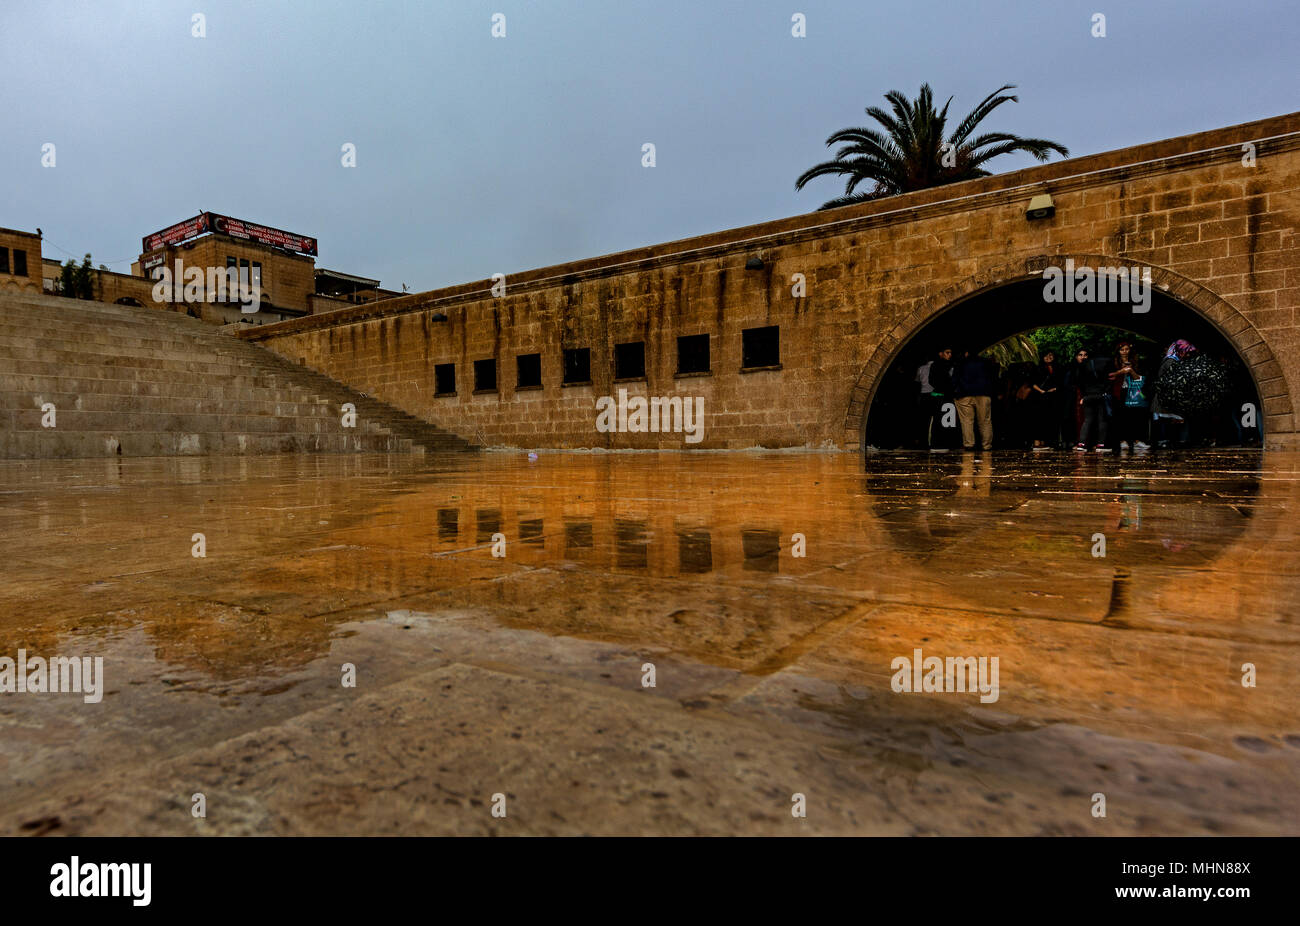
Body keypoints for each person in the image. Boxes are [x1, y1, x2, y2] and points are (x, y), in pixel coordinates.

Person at [1152, 339, 1194, 448]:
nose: (1188, 354)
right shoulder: (1171, 361)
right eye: (1186, 351)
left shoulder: (1173, 360)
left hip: (1169, 397)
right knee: (1168, 421)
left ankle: (1170, 442)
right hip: (1167, 398)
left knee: (1170, 421)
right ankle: (1166, 443)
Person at [1107, 341, 1149, 451]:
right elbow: (1110, 376)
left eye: (1126, 349)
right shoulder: (1114, 362)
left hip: (1133, 392)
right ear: (1118, 351)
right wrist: (1121, 371)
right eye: (1122, 349)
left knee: (1135, 416)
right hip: (1119, 392)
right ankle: (1122, 441)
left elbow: (1139, 379)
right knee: (1121, 416)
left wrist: (1131, 370)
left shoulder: (1135, 361)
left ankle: (1137, 441)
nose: (1124, 352)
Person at [952, 348, 997, 452]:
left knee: (966, 421)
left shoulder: (960, 363)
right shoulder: (985, 363)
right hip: (983, 393)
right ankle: (986, 445)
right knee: (985, 421)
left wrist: (956, 391)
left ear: (966, 353)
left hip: (964, 395)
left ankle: (969, 444)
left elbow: (955, 378)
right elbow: (993, 378)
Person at [1072, 346, 1111, 452]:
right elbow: (1109, 379)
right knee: (1102, 420)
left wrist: (1084, 395)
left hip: (1088, 395)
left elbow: (1079, 381)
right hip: (1101, 394)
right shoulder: (1106, 363)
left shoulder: (1084, 365)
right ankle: (1100, 445)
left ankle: (1081, 443)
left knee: (1087, 420)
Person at [915, 347, 955, 450]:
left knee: (929, 420)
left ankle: (928, 442)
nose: (950, 355)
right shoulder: (947, 367)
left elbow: (920, 381)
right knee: (942, 419)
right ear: (940, 354)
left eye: (950, 353)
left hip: (931, 394)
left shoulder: (923, 368)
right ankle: (940, 442)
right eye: (947, 352)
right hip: (940, 395)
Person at [1030, 350, 1065, 449]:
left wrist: (1055, 389)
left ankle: (1043, 443)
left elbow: (1060, 382)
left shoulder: (1057, 368)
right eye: (1046, 355)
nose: (1048, 357)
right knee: (1038, 419)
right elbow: (1032, 383)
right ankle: (1036, 443)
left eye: (1051, 355)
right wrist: (1041, 391)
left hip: (1052, 397)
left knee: (1048, 419)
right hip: (1038, 397)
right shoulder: (1038, 368)